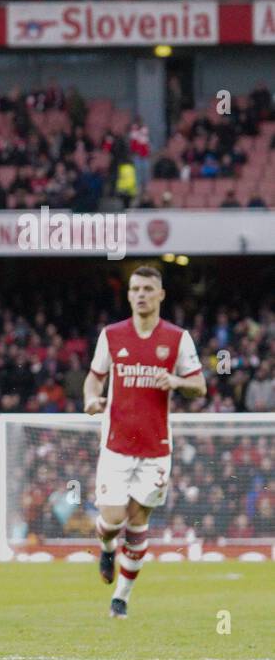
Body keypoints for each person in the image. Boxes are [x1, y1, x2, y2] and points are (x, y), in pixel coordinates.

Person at [84, 265, 206, 618]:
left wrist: (176, 381)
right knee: (112, 521)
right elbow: (93, 381)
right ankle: (107, 548)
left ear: (161, 295)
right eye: (135, 289)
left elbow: (200, 386)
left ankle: (121, 597)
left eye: (148, 289)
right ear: (129, 294)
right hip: (116, 445)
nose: (140, 294)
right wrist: (91, 401)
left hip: (155, 450)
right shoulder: (111, 335)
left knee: (137, 522)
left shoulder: (178, 339)